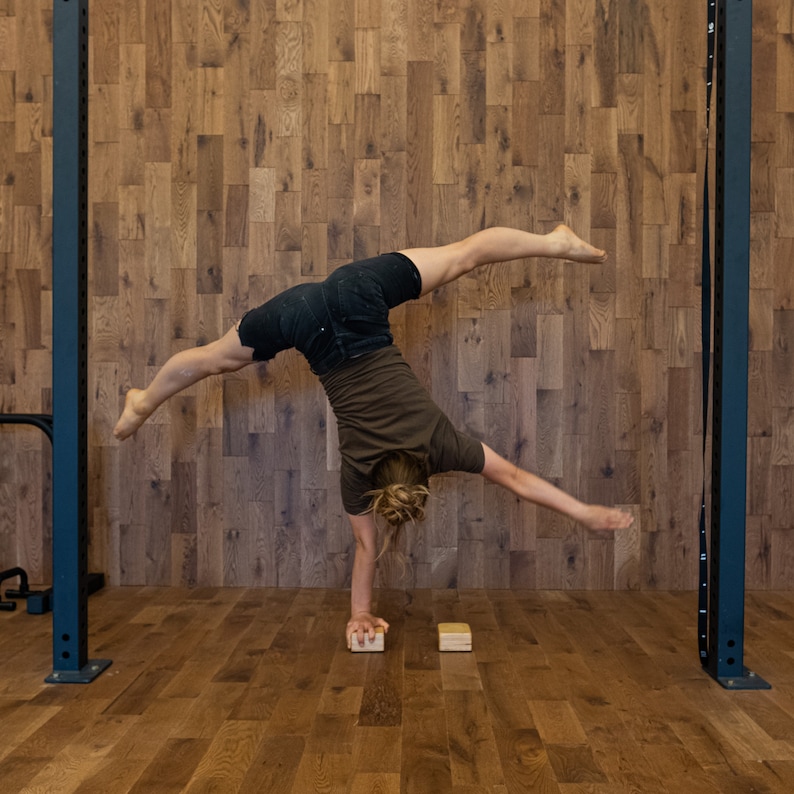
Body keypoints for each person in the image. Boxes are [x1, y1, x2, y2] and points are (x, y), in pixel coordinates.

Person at [113, 224, 634, 648]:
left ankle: (553, 243)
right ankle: (143, 402)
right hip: (305, 319)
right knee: (216, 361)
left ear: (425, 479)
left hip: (357, 294)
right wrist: (358, 614)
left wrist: (584, 512)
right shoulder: (359, 473)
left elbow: (517, 479)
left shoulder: (441, 446)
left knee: (466, 255)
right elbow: (366, 546)